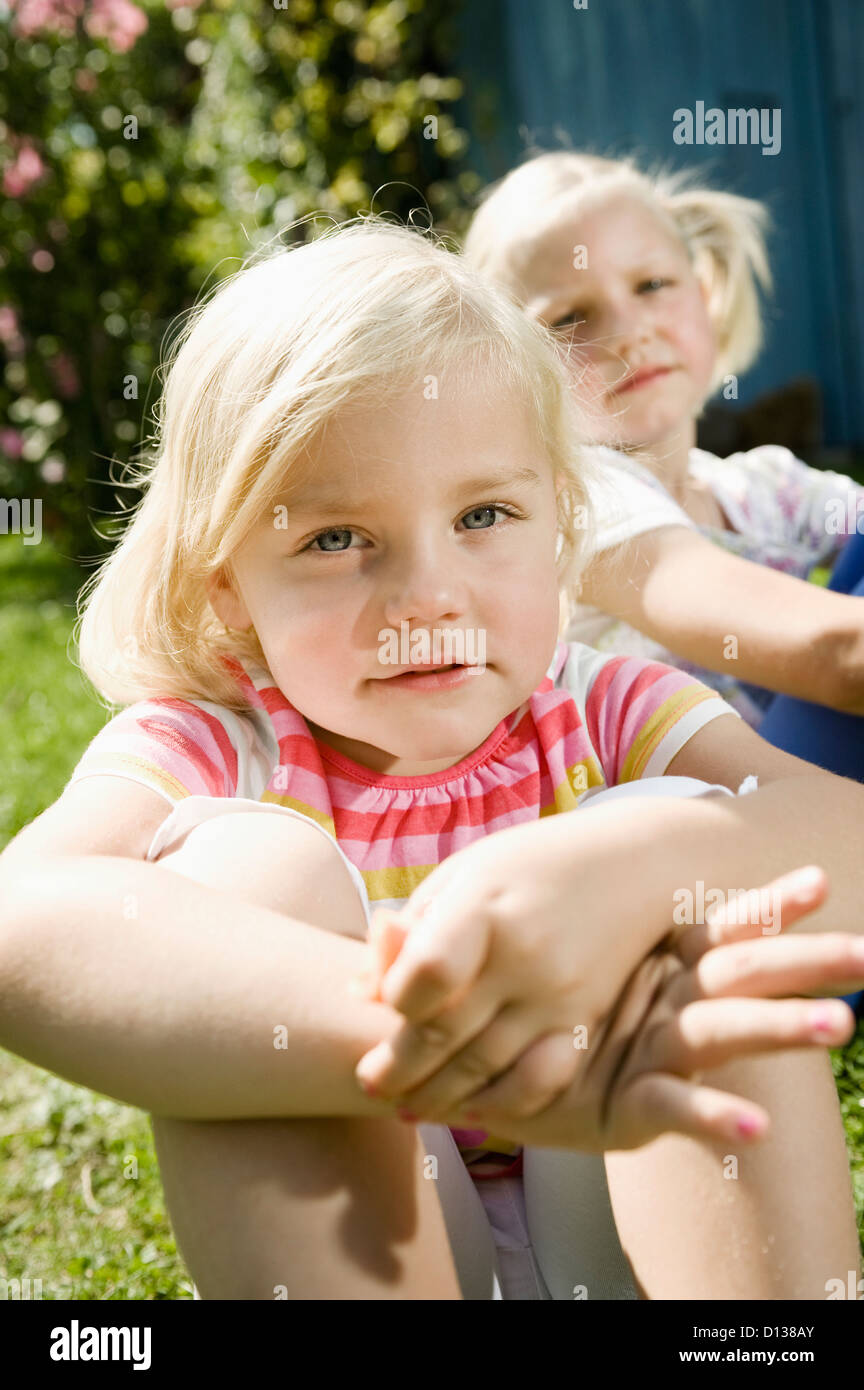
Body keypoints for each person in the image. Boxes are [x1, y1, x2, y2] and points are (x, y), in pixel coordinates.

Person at [0, 220, 862, 1300]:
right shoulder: (219, 743)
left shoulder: (604, 708)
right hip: (392, 1254)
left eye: (484, 514)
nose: (428, 594)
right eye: (333, 538)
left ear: (559, 526)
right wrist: (454, 1039)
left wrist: (624, 873)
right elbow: (23, 919)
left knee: (690, 839)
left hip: (637, 1246)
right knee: (242, 880)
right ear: (228, 588)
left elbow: (847, 845)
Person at [461, 152, 864, 781]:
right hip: (731, 839)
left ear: (705, 295)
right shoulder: (579, 508)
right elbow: (840, 655)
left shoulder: (763, 487)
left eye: (652, 285)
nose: (628, 332)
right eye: (569, 317)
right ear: (512, 372)